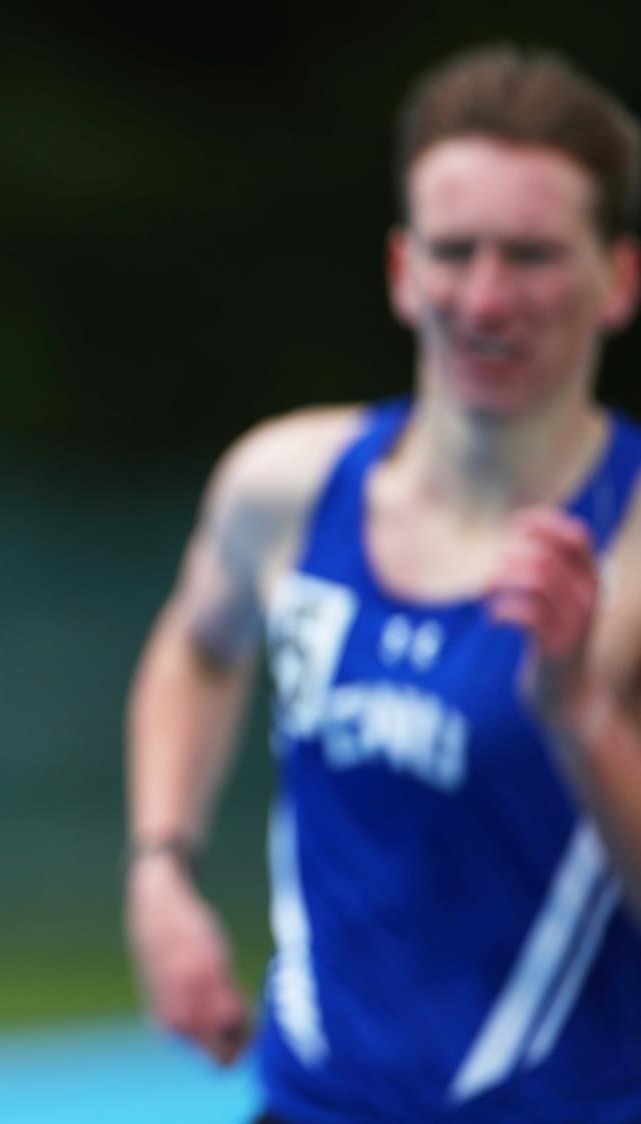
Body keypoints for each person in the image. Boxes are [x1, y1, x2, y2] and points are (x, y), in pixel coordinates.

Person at [125, 44, 641, 1122]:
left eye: (533, 254)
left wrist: (580, 714)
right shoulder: (285, 486)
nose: (486, 297)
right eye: (455, 251)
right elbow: (196, 645)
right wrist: (161, 865)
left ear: (616, 278)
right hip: (308, 1100)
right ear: (402, 270)